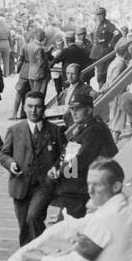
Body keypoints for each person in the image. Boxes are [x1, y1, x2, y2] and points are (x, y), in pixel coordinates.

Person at [0, 91, 66, 245]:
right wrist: (11, 164)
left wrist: (58, 168)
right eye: (30, 106)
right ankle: (26, 253)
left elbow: (65, 155)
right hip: (21, 184)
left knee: (34, 216)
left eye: (37, 107)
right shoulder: (15, 130)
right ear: (24, 108)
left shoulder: (54, 131)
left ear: (43, 109)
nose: (33, 110)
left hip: (44, 185)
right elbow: (3, 155)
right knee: (24, 224)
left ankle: (39, 249)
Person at [49, 92, 118, 220]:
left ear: (89, 110)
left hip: (82, 190)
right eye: (72, 109)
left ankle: (64, 218)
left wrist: (59, 170)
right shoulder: (85, 127)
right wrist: (55, 166)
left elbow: (82, 159)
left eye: (78, 109)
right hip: (75, 186)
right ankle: (62, 215)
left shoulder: (94, 130)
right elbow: (69, 151)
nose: (74, 113)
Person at [12, 30, 50, 118]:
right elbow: (41, 62)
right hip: (35, 71)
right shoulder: (38, 47)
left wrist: (18, 69)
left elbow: (20, 59)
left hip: (26, 70)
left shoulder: (26, 46)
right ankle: (23, 113)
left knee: (21, 92)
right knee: (32, 92)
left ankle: (17, 113)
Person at [89, 8, 120, 87]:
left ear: (104, 15)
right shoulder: (97, 24)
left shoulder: (108, 24)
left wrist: (110, 45)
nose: (99, 17)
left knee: (102, 74)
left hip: (104, 52)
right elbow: (92, 34)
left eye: (101, 15)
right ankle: (101, 88)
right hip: (97, 52)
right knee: (99, 73)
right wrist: (93, 41)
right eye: (98, 15)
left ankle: (103, 90)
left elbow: (117, 33)